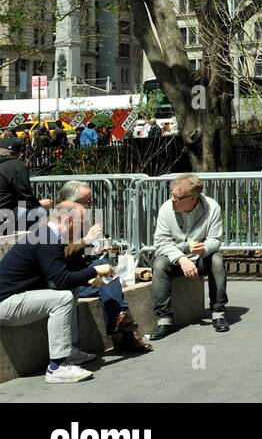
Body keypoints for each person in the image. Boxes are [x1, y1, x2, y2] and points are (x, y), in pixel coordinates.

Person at [0, 198, 114, 383]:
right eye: (82, 221)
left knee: (73, 289)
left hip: (15, 297)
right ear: (69, 220)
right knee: (62, 297)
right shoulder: (47, 239)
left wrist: (87, 278)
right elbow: (60, 280)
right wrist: (94, 270)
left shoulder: (49, 236)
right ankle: (57, 367)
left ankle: (70, 352)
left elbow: (58, 275)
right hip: (5, 303)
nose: (85, 226)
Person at [55, 181, 151, 353]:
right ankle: (127, 332)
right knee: (109, 282)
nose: (92, 205)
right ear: (72, 202)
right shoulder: (57, 221)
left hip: (82, 271)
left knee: (107, 274)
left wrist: (95, 248)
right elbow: (60, 253)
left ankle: (120, 320)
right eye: (88, 201)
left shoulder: (78, 218)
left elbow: (78, 251)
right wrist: (86, 240)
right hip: (65, 279)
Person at [150, 174, 227, 338]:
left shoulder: (212, 207)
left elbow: (216, 239)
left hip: (200, 258)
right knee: (158, 265)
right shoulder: (166, 208)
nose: (172, 199)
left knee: (217, 260)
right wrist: (181, 258)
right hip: (174, 257)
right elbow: (161, 242)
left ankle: (218, 313)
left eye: (177, 197)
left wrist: (204, 247)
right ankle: (164, 319)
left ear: (193, 198)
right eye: (172, 194)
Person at [0, 136, 51, 234]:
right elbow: (25, 195)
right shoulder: (16, 165)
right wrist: (40, 204)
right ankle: (35, 247)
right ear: (18, 153)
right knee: (41, 212)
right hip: (4, 218)